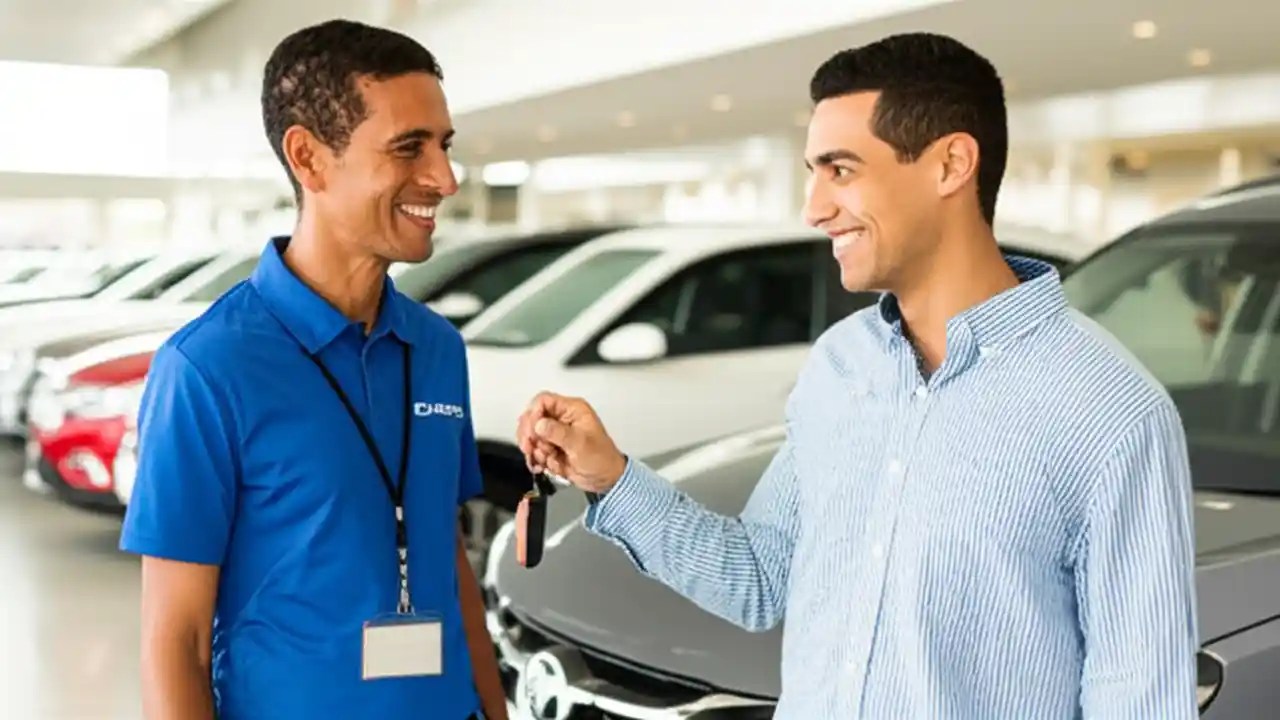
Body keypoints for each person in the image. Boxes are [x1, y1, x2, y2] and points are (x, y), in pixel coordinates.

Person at [517, 32, 1199, 719]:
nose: (813, 208)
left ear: (951, 164)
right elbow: (758, 578)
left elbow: (1140, 700)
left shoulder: (1111, 413)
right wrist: (609, 476)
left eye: (841, 170)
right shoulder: (840, 366)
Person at [120, 19, 506, 720]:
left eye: (445, 147)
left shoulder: (439, 349)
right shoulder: (208, 367)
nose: (445, 180)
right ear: (309, 158)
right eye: (408, 148)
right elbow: (174, 642)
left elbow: (447, 561)